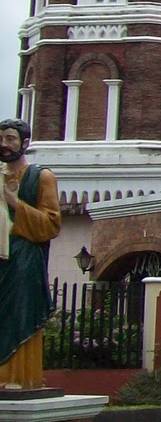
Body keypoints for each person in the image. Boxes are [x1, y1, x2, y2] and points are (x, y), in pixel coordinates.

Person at [1, 120, 62, 391]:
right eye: (0, 139)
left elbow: (51, 224)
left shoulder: (41, 177)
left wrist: (16, 203)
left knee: (19, 314)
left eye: (10, 138)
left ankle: (18, 377)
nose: (4, 144)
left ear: (24, 143)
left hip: (23, 258)